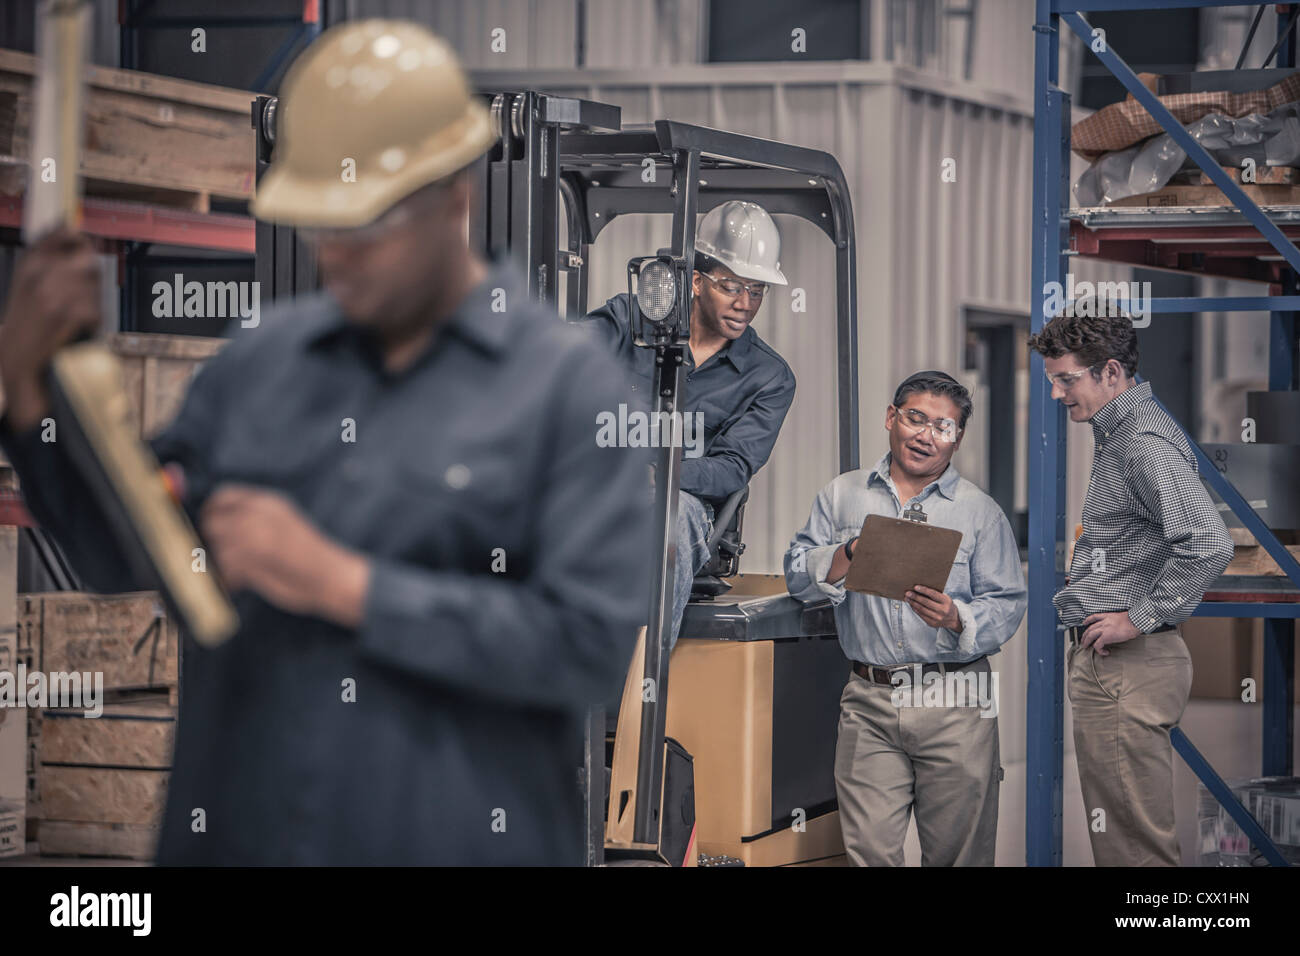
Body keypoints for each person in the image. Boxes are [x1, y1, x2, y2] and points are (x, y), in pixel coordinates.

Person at [0, 20, 650, 865]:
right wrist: (31, 392)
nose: (338, 255)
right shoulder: (260, 365)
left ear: (454, 192)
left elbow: (584, 651)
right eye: (321, 225)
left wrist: (341, 583)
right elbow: (137, 556)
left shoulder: (566, 390)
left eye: (366, 226)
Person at [784, 371, 1026, 866]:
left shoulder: (980, 513)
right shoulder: (842, 496)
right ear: (891, 418)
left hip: (955, 696)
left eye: (944, 427)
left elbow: (1008, 602)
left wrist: (957, 616)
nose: (926, 435)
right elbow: (797, 575)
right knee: (868, 850)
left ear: (956, 440)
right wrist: (849, 551)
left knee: (959, 854)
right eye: (916, 418)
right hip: (869, 698)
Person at [1029, 307, 1232, 866]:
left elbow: (1209, 543)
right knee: (1124, 835)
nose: (1057, 394)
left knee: (1132, 848)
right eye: (1053, 380)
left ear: (1111, 373)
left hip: (1127, 663)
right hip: (1120, 664)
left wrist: (1136, 616)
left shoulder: (1140, 441)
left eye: (1067, 379)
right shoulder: (1118, 433)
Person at [578, 200, 796, 649]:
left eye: (757, 291)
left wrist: (659, 468)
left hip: (686, 504)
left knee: (666, 523)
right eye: (732, 286)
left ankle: (640, 695)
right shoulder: (628, 320)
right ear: (696, 281)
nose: (745, 304)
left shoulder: (769, 376)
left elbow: (733, 468)